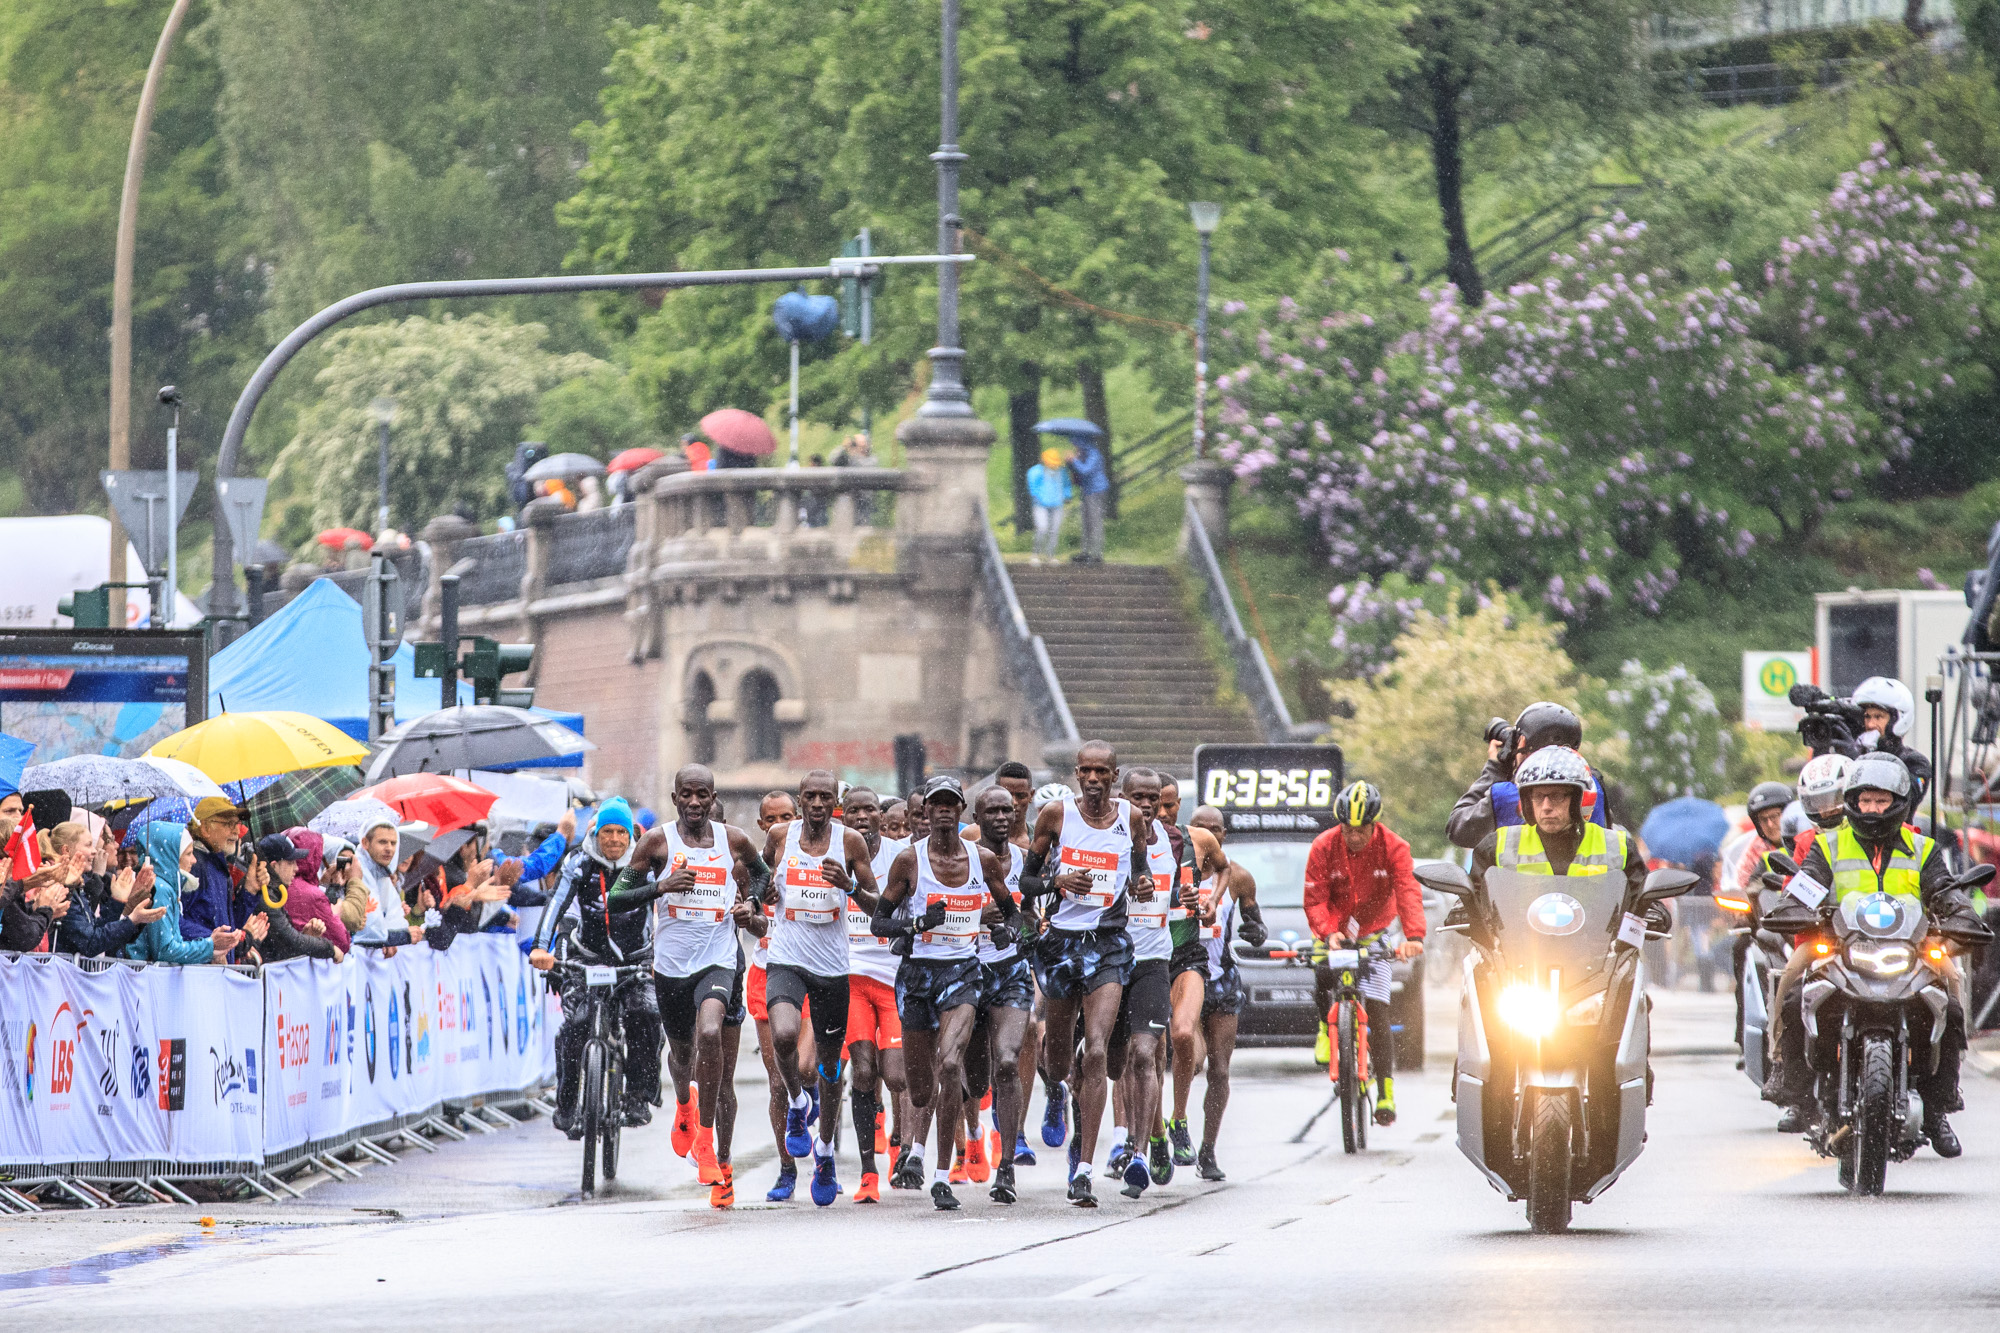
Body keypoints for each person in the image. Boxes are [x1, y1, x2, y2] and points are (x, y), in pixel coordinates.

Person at [1763, 752, 1975, 1154]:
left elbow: (1944, 891)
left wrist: (1959, 913)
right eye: (1865, 800)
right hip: (1840, 942)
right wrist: (1791, 907)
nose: (1872, 808)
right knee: (1791, 985)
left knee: (1952, 990)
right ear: (1852, 802)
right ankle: (1790, 1082)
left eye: (1881, 800)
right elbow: (1806, 885)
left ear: (1898, 802)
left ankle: (1939, 1105)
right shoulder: (1828, 846)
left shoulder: (1922, 848)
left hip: (1911, 945)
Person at [616, 765, 767, 1209]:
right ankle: (684, 1104)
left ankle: (705, 1138)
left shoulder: (733, 840)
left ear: (713, 796)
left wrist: (749, 903)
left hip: (718, 959)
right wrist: (660, 887)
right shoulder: (656, 842)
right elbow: (618, 897)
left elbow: (763, 878)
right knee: (681, 1055)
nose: (696, 802)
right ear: (675, 797)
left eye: (703, 795)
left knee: (709, 1033)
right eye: (688, 795)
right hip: (671, 967)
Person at [871, 776, 1023, 1209]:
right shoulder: (908, 861)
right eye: (934, 804)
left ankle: (940, 1174)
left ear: (960, 811)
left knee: (951, 1062)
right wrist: (917, 925)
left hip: (963, 973)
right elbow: (881, 923)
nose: (942, 811)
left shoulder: (984, 860)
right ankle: (915, 1151)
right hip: (917, 977)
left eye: (950, 804)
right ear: (925, 812)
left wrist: (1006, 932)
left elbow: (1012, 916)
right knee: (920, 1089)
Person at [1021, 741, 1154, 1206]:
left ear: (1115, 776)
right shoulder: (1056, 817)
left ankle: (1082, 1168)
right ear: (1077, 774)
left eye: (1103, 772)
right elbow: (1026, 883)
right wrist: (1057, 881)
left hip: (1109, 945)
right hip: (1060, 944)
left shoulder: (1131, 819)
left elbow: (1141, 875)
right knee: (1060, 1063)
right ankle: (1057, 1089)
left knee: (1096, 1051)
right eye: (1086, 772)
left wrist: (1143, 884)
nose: (1094, 779)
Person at [760, 770, 882, 1207]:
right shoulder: (780, 836)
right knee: (785, 1036)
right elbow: (760, 886)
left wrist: (848, 886)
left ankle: (825, 1151)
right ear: (800, 798)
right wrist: (759, 894)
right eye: (808, 796)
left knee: (831, 1071)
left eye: (823, 798)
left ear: (834, 803)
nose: (815, 804)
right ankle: (796, 1105)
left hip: (831, 966)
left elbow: (877, 906)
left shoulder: (850, 843)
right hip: (786, 954)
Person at [529, 798, 663, 1135]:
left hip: (636, 959)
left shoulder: (645, 863)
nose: (614, 840)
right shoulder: (579, 862)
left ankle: (637, 1095)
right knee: (577, 1025)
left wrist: (667, 956)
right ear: (597, 833)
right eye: (607, 832)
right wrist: (539, 948)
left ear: (630, 834)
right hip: (586, 956)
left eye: (621, 832)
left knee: (645, 1015)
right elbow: (556, 904)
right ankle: (568, 1101)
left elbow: (670, 909)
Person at [1303, 781, 1425, 1126]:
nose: (1354, 837)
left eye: (1361, 831)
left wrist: (1413, 936)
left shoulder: (1395, 847)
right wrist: (1329, 933)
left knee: (1378, 1011)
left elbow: (1407, 891)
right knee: (1320, 967)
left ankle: (1385, 1089)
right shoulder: (1323, 846)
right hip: (1333, 931)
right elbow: (1315, 898)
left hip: (1373, 933)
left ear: (1374, 824)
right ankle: (1326, 1029)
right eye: (1347, 830)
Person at [1103, 769, 1201, 1197]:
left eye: (1154, 799)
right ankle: (1147, 1134)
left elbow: (1173, 894)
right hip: (1108, 960)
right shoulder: (1104, 836)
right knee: (1113, 1059)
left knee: (1147, 1052)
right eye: (1138, 798)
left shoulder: (1175, 841)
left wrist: (1191, 900)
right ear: (1122, 798)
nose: (1147, 806)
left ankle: (1139, 1153)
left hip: (1154, 960)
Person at [1179, 805, 1266, 1180]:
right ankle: (1174, 1127)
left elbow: (1256, 923)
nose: (1208, 834)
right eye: (1200, 827)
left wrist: (1254, 932)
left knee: (1221, 1070)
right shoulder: (1177, 874)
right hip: (1184, 974)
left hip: (1222, 979)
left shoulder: (1239, 878)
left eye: (1215, 829)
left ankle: (1208, 1151)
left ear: (1223, 836)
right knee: (1192, 1059)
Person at [837, 785, 909, 1203]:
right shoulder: (831, 853)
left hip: (894, 977)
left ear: (881, 817)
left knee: (897, 1075)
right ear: (843, 816)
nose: (862, 817)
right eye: (854, 811)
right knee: (863, 1071)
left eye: (869, 810)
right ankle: (868, 1172)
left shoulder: (902, 858)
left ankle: (902, 1141)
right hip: (851, 977)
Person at [746, 789, 816, 1201]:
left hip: (808, 972)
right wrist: (756, 909)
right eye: (773, 819)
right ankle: (787, 1169)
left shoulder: (811, 857)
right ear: (761, 826)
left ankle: (820, 1149)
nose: (781, 825)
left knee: (807, 1069)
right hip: (765, 973)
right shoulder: (751, 868)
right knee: (777, 1082)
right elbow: (752, 925)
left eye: (788, 816)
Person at [1161, 783, 1231, 1170]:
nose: (1163, 813)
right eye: (1153, 805)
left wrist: (1210, 900)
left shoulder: (1198, 841)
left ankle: (1180, 1119)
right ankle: (1148, 1136)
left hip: (1189, 955)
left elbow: (1225, 869)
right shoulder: (1127, 842)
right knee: (1145, 1054)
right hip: (1145, 959)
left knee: (1184, 1034)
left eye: (1170, 805)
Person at [1447, 702, 1613, 850]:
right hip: (1584, 884)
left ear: (1523, 743)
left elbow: (1458, 829)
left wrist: (1496, 769)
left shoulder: (1505, 796)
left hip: (1519, 885)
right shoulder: (1593, 788)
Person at [125, 823, 241, 965]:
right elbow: (165, 951)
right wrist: (209, 946)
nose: (194, 860)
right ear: (171, 856)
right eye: (188, 854)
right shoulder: (160, 889)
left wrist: (211, 949)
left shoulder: (165, 887)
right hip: (145, 978)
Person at [51, 820, 164, 957]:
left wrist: (117, 902)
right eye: (88, 845)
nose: (94, 851)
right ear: (66, 850)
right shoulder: (60, 888)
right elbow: (90, 943)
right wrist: (132, 919)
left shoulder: (76, 888)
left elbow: (98, 931)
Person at [350, 815, 422, 951]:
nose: (389, 848)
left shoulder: (381, 872)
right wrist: (402, 936)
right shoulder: (357, 869)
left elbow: (392, 921)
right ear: (365, 843)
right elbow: (367, 932)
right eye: (382, 842)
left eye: (393, 843)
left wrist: (390, 939)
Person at [1065, 437, 1110, 563]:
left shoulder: (1094, 454)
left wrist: (1074, 459)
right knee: (1086, 523)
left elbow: (1085, 470)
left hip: (1096, 490)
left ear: (1082, 443)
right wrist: (1070, 462)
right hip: (1087, 491)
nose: (1075, 447)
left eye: (1076, 444)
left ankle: (1096, 555)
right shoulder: (1083, 454)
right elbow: (1077, 473)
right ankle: (1085, 552)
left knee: (1095, 522)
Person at [1026, 447, 1072, 563]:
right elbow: (1033, 488)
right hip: (1040, 505)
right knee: (1042, 528)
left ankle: (1050, 555)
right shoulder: (1035, 472)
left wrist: (1067, 495)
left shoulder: (1062, 472)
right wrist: (1037, 498)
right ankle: (1036, 554)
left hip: (1057, 505)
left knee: (1054, 531)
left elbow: (1066, 485)